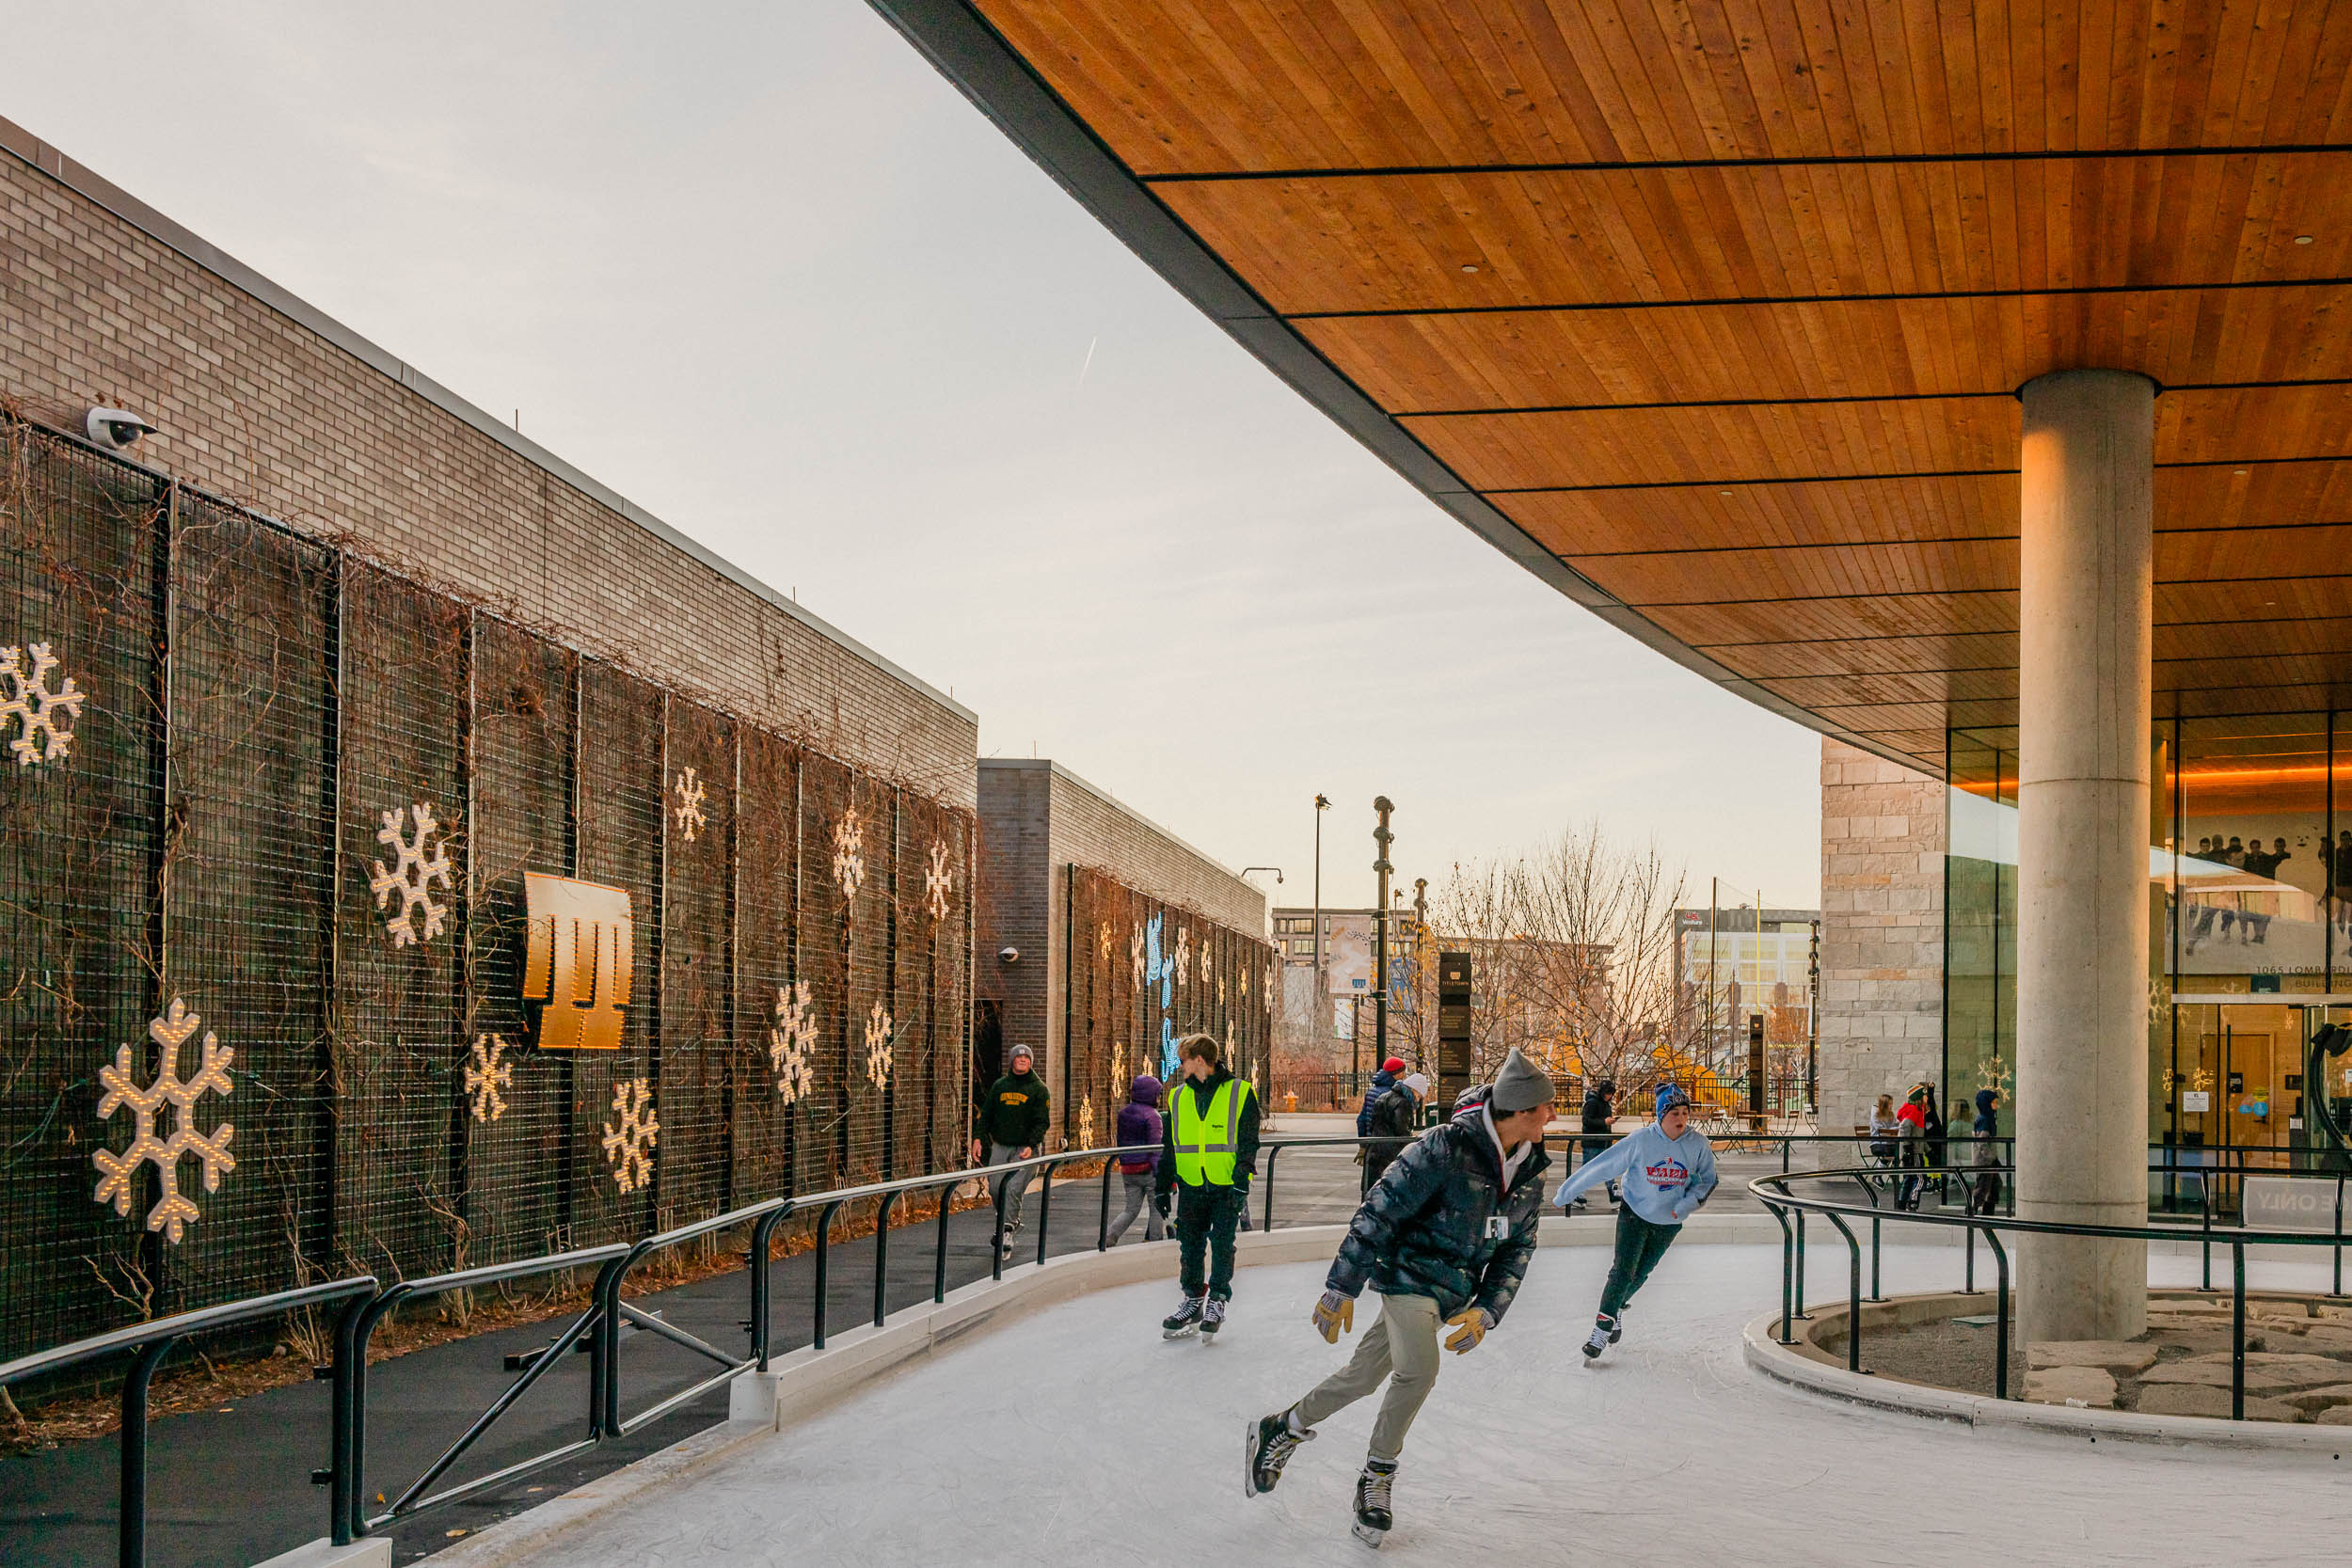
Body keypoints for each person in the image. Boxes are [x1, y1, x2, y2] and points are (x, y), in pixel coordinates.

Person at [1245, 1049, 1554, 1546]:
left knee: (1362, 1377)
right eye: (1545, 1107)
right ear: (1519, 1110)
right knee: (1419, 1371)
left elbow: (1519, 1247)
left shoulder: (1531, 1169)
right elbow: (1380, 1211)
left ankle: (1282, 1427)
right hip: (1408, 1277)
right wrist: (1340, 1287)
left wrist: (1487, 1309)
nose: (1553, 1115)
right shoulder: (1444, 1148)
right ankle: (1377, 1476)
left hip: (1451, 1293)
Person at [1552, 1082, 1719, 1360]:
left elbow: (1708, 1181)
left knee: (1641, 1274)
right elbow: (1603, 1165)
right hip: (1634, 1213)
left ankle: (1616, 1308)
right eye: (1674, 1113)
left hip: (1668, 1222)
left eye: (1685, 1112)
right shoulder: (1641, 1140)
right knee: (1622, 1271)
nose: (1681, 1118)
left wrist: (1685, 1205)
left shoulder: (1697, 1144)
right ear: (1661, 1115)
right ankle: (1601, 1330)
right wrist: (1566, 1192)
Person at [1153, 1033, 1260, 1339]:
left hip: (1226, 1186)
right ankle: (1193, 1299)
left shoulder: (1239, 1092)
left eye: (1183, 1060)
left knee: (1223, 1243)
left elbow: (1250, 1142)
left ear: (1198, 1060)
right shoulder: (1177, 1097)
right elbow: (1170, 1146)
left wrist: (1243, 1180)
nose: (1180, 1066)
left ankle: (1218, 1300)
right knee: (1190, 1244)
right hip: (1191, 1186)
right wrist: (1163, 1185)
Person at [973, 1043, 1051, 1258]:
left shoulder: (1039, 1089)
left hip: (1026, 1148)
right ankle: (1009, 1221)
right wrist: (978, 1138)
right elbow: (987, 1114)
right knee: (996, 1188)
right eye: (1019, 1058)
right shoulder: (1000, 1086)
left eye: (1026, 1059)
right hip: (1001, 1145)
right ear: (1013, 1061)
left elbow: (1042, 1122)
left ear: (1031, 1063)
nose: (1022, 1061)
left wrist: (1031, 1144)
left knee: (1013, 1188)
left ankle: (1007, 1229)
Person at [1104, 1073, 1165, 1245]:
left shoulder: (1124, 1113)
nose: (1159, 1098)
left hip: (1129, 1168)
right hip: (1148, 1169)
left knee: (1131, 1209)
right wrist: (1159, 1171)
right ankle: (1155, 1241)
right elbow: (1155, 1147)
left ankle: (1109, 1236)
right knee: (1156, 1208)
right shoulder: (1153, 1116)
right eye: (1157, 1094)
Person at [1361, 1071, 1427, 1189]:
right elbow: (1401, 1132)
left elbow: (1372, 1124)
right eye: (1418, 1096)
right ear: (1413, 1089)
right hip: (1390, 1155)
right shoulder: (1403, 1103)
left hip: (1375, 1150)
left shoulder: (1383, 1097)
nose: (1417, 1100)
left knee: (1372, 1191)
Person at [1573, 1077, 1620, 1210]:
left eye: (1610, 1094)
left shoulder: (1605, 1104)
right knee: (1589, 1170)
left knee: (1607, 1169)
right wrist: (1604, 1122)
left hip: (1602, 1142)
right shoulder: (1592, 1103)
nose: (1608, 1096)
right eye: (1607, 1093)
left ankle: (1613, 1195)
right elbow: (1586, 1120)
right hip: (1592, 1142)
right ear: (1601, 1092)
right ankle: (1578, 1194)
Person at [1966, 1088, 2004, 1217]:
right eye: (1993, 1102)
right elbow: (1982, 1142)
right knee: (1983, 1186)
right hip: (1984, 1160)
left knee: (1994, 1184)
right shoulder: (1984, 1120)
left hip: (1988, 1159)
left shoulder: (1988, 1118)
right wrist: (1991, 1157)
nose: (1996, 1105)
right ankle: (1972, 1211)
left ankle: (1987, 1212)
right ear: (1986, 1103)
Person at [1895, 1085, 1929, 1211]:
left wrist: (1928, 1149)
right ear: (1918, 1098)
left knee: (1908, 1178)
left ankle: (1901, 1204)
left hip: (1910, 1150)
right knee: (1921, 1179)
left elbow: (1918, 1135)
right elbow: (1905, 1128)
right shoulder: (1915, 1111)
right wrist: (1908, 1148)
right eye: (1925, 1095)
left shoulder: (1913, 1110)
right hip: (1913, 1151)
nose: (1927, 1097)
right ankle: (1913, 1202)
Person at [1357, 1057, 1405, 1137]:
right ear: (1398, 1073)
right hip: (1386, 1143)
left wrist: (1363, 1143)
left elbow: (1361, 1119)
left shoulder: (1371, 1091)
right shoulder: (1392, 1094)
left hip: (1371, 1140)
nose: (1403, 1076)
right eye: (1403, 1072)